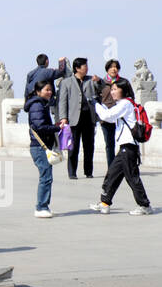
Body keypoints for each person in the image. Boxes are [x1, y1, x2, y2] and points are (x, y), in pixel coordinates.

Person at [91, 78, 152, 214]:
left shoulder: (125, 104)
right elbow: (112, 117)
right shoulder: (124, 104)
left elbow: (107, 116)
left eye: (114, 89)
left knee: (131, 176)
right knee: (113, 174)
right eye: (111, 89)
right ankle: (104, 202)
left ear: (123, 90)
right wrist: (100, 104)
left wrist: (96, 105)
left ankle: (145, 205)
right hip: (125, 146)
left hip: (128, 146)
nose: (112, 92)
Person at [56, 57, 94, 179]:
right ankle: (72, 172)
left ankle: (88, 171)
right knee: (73, 147)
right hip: (73, 119)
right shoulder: (67, 82)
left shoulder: (90, 80)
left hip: (88, 118)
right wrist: (63, 117)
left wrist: (99, 82)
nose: (87, 69)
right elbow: (62, 102)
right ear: (77, 68)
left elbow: (100, 91)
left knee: (89, 146)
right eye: (85, 66)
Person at [24, 79, 58, 218]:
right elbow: (39, 127)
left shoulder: (40, 104)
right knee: (46, 177)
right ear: (38, 91)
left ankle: (44, 206)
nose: (49, 92)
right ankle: (41, 207)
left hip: (42, 145)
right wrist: (56, 127)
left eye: (50, 90)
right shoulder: (37, 105)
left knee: (47, 176)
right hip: (39, 146)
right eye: (46, 90)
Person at [94, 59, 123, 169]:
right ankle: (111, 168)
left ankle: (123, 165)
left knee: (123, 142)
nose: (113, 69)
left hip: (121, 116)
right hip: (106, 117)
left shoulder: (123, 82)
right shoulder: (101, 83)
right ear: (107, 69)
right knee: (109, 144)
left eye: (116, 67)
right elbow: (96, 98)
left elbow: (131, 97)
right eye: (111, 67)